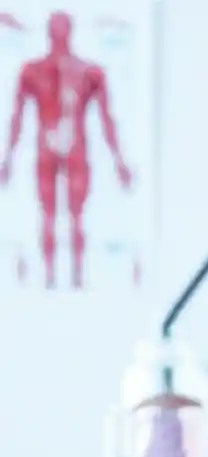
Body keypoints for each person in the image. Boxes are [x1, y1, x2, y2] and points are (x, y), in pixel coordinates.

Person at [0, 11, 133, 290]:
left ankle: (74, 279)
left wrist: (119, 161)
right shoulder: (34, 71)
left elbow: (107, 120)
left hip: (72, 146)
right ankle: (54, 280)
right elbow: (16, 118)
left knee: (74, 215)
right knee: (50, 213)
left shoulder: (88, 72)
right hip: (54, 145)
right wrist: (8, 160)